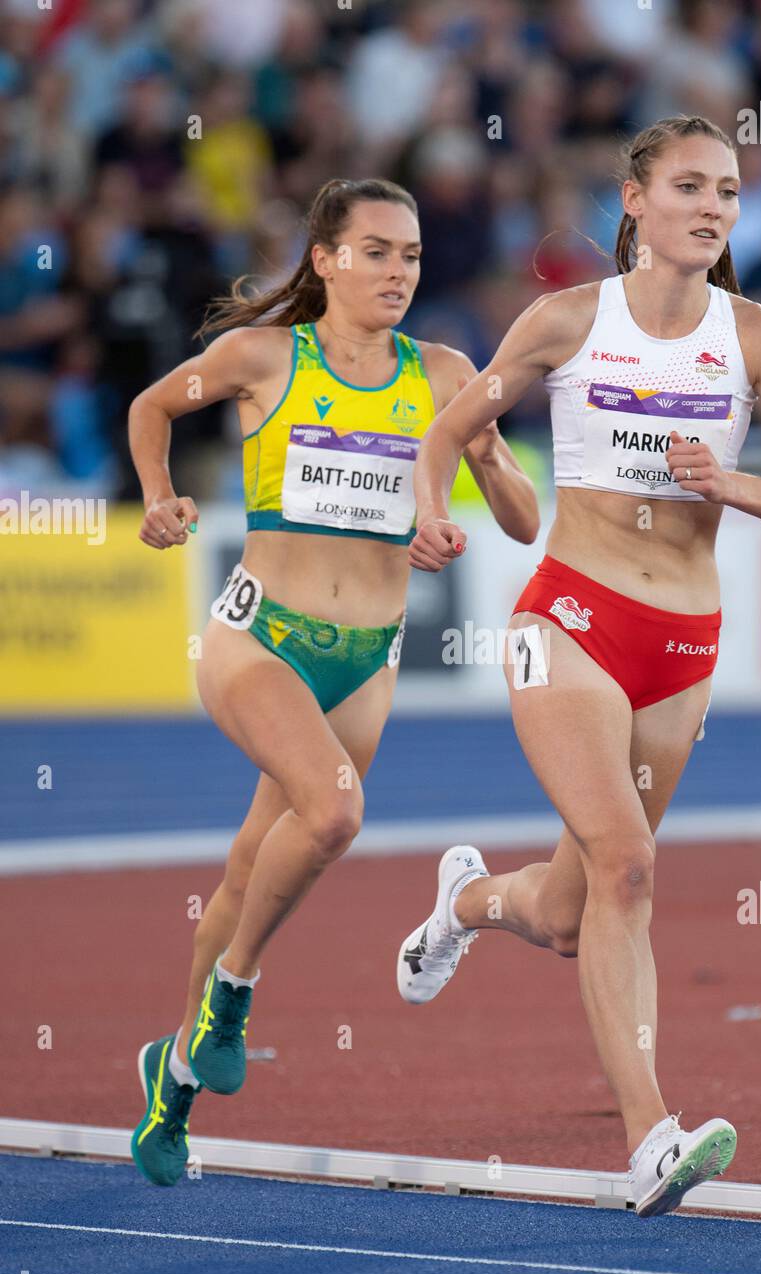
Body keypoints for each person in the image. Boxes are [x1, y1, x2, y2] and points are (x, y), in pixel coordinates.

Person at [398, 116, 761, 1217]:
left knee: (564, 911)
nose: (712, 208)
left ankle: (464, 902)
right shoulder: (562, 320)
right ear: (633, 201)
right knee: (627, 865)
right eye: (689, 186)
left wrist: (725, 483)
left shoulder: (758, 339)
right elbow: (449, 428)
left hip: (683, 645)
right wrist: (423, 514)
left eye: (729, 193)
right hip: (570, 620)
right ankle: (650, 1138)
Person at [127, 177, 539, 1186]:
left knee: (249, 864)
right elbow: (150, 407)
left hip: (366, 658)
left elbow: (525, 521)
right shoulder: (268, 356)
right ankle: (232, 994)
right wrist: (157, 497)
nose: (396, 271)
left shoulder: (442, 371)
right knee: (336, 813)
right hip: (258, 636)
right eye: (374, 252)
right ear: (323, 259)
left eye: (408, 255)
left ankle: (171, 1078)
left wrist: (481, 468)